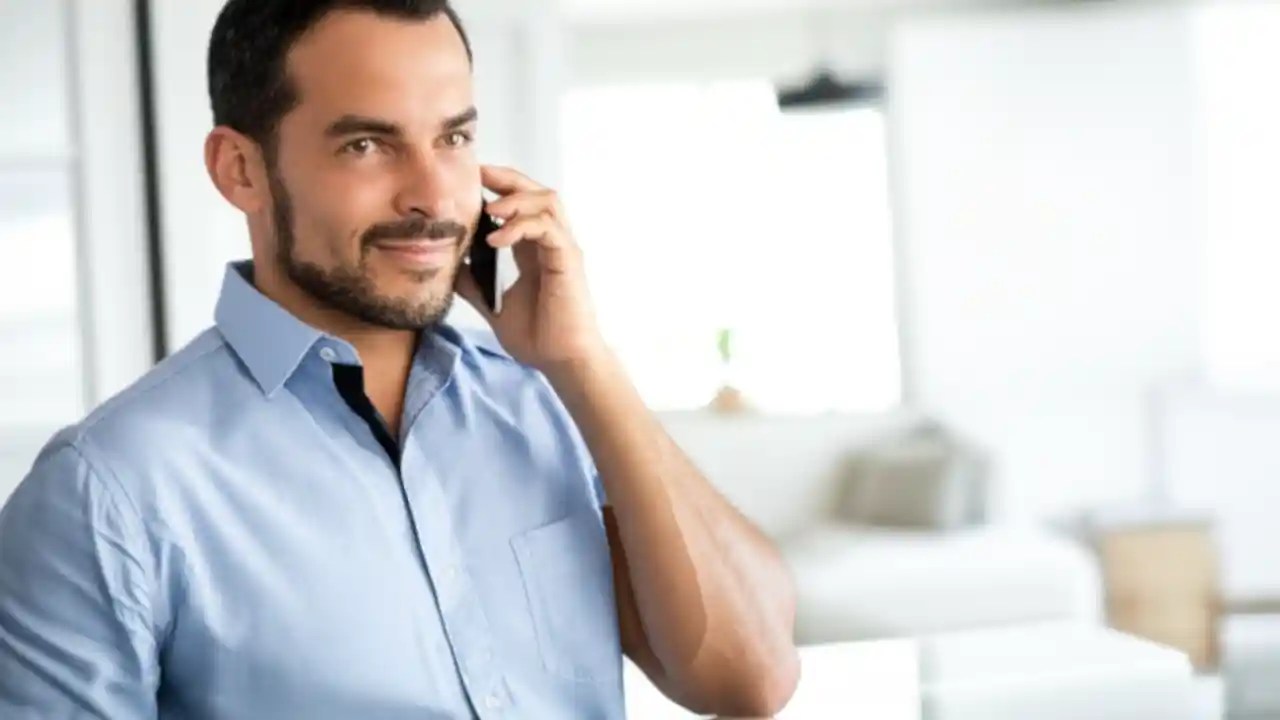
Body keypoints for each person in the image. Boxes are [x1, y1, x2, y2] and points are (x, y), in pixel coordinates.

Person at [0, 2, 799, 718]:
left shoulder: (547, 402)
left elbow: (750, 683)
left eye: (453, 139)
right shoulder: (106, 491)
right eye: (367, 144)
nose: (432, 195)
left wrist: (583, 361)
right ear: (240, 169)